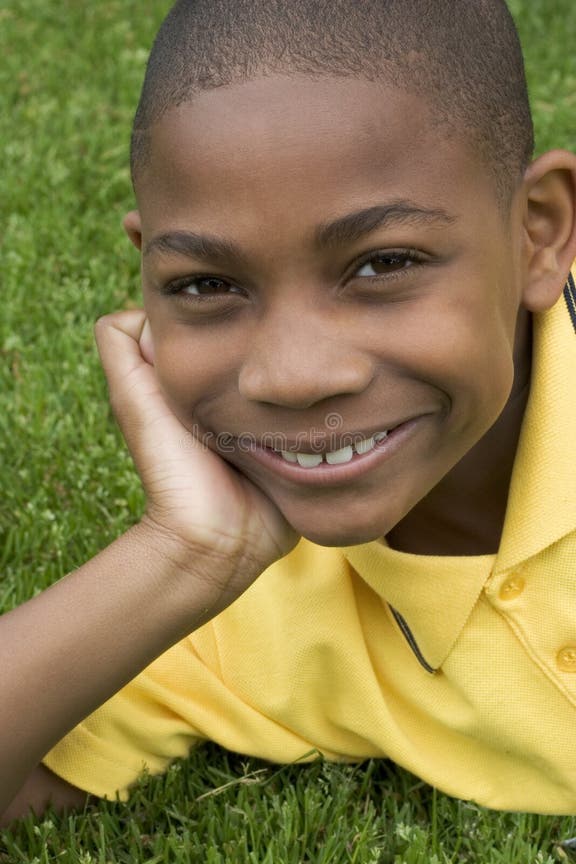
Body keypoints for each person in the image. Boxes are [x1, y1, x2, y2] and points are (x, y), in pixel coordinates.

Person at [3, 0, 576, 823]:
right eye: (207, 285)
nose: (293, 377)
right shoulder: (227, 612)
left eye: (383, 264)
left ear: (539, 233)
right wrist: (184, 558)